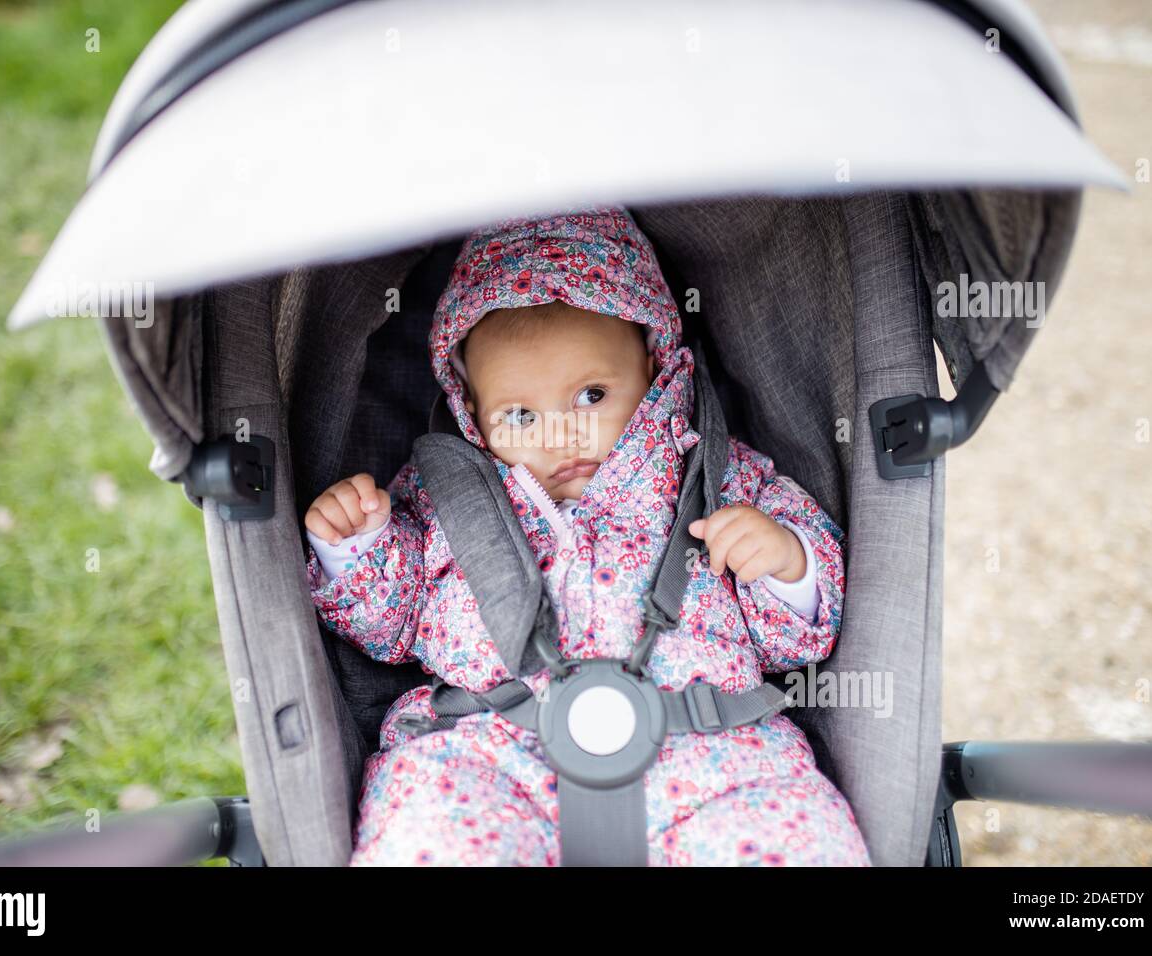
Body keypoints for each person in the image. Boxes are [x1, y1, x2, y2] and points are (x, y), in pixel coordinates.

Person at [303, 206, 870, 866]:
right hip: (493, 753)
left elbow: (795, 639)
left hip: (712, 754)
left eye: (591, 396)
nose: (560, 434)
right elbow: (389, 625)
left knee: (793, 839)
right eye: (519, 414)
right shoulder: (444, 495)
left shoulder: (717, 475)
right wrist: (356, 547)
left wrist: (785, 563)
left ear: (655, 369)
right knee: (431, 828)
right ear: (474, 415)